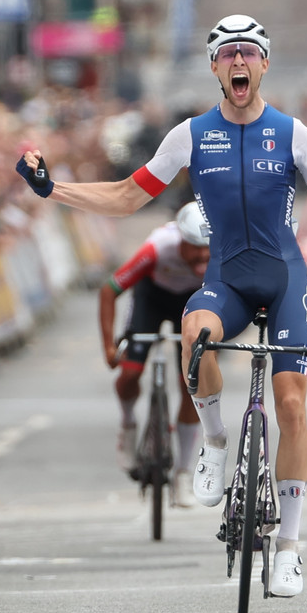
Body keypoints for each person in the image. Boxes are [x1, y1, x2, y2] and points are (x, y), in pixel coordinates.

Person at [16, 13, 307, 598]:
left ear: (263, 65)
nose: (238, 62)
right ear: (214, 67)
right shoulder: (189, 135)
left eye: (249, 53)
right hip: (228, 277)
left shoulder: (293, 134)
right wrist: (54, 190)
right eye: (227, 54)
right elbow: (129, 195)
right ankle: (211, 442)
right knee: (196, 332)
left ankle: (288, 548)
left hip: (283, 278)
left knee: (290, 405)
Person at [98, 202, 210, 505]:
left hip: (189, 302)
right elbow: (109, 290)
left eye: (207, 249)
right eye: (194, 248)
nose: (202, 256)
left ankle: (183, 474)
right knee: (130, 372)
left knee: (192, 386)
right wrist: (109, 346)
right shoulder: (158, 248)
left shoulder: (220, 250)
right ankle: (128, 423)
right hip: (152, 296)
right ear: (180, 241)